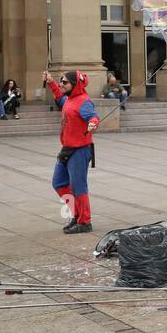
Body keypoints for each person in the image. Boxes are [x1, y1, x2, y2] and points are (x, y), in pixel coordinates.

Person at [45, 70, 99, 233]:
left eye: (64, 82)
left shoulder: (84, 101)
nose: (61, 84)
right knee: (59, 182)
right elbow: (60, 99)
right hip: (68, 148)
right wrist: (51, 82)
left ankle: (85, 222)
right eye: (61, 81)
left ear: (75, 85)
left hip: (81, 149)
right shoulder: (69, 99)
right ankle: (76, 214)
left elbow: (93, 116)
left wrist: (93, 124)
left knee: (78, 186)